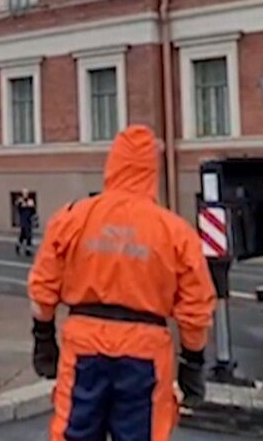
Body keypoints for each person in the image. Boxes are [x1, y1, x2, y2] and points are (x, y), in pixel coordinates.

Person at [27, 125, 216, 441]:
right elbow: (195, 307)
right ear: (151, 172)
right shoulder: (175, 232)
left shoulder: (73, 217)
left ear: (112, 165)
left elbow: (43, 287)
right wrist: (192, 363)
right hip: (145, 351)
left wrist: (44, 339)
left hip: (84, 345)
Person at [15, 190, 36, 257]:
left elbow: (33, 211)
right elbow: (18, 208)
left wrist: (30, 206)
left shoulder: (30, 202)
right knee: (25, 236)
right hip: (23, 221)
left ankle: (26, 250)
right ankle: (21, 247)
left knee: (26, 236)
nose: (25, 195)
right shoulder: (20, 202)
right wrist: (23, 204)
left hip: (28, 221)